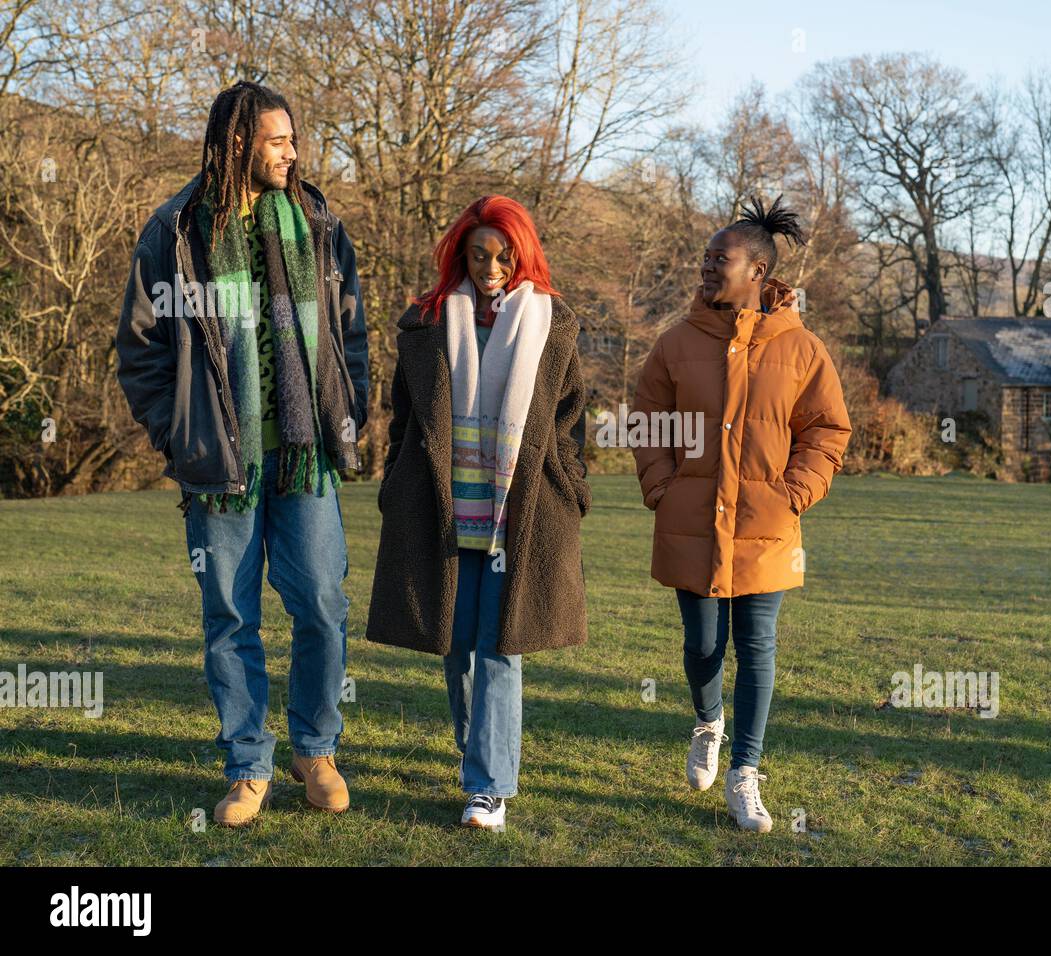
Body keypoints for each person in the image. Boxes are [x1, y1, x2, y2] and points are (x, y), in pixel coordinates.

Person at [115, 81, 369, 826]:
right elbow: (141, 349)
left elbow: (350, 331)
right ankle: (248, 766)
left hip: (305, 457)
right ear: (236, 144)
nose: (293, 153)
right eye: (277, 141)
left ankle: (315, 750)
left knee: (322, 603)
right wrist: (180, 435)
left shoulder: (317, 223)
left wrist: (349, 411)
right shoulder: (174, 232)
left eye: (293, 139)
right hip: (219, 466)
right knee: (230, 617)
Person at [366, 195, 590, 832]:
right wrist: (395, 484)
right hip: (443, 510)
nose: (491, 268)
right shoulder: (429, 322)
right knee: (457, 645)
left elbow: (570, 421)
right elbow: (403, 418)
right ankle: (478, 757)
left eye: (504, 256)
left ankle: (489, 787)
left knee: (499, 646)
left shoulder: (551, 324)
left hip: (520, 513)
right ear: (461, 257)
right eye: (479, 256)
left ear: (523, 256)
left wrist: (571, 487)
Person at [631, 195, 852, 832]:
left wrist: (794, 493)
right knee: (702, 644)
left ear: (757, 270)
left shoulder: (802, 348)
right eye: (704, 258)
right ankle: (709, 724)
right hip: (693, 520)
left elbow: (828, 430)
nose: (706, 267)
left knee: (757, 645)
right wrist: (662, 485)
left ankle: (745, 773)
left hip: (766, 523)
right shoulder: (676, 343)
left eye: (718, 259)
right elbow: (647, 420)